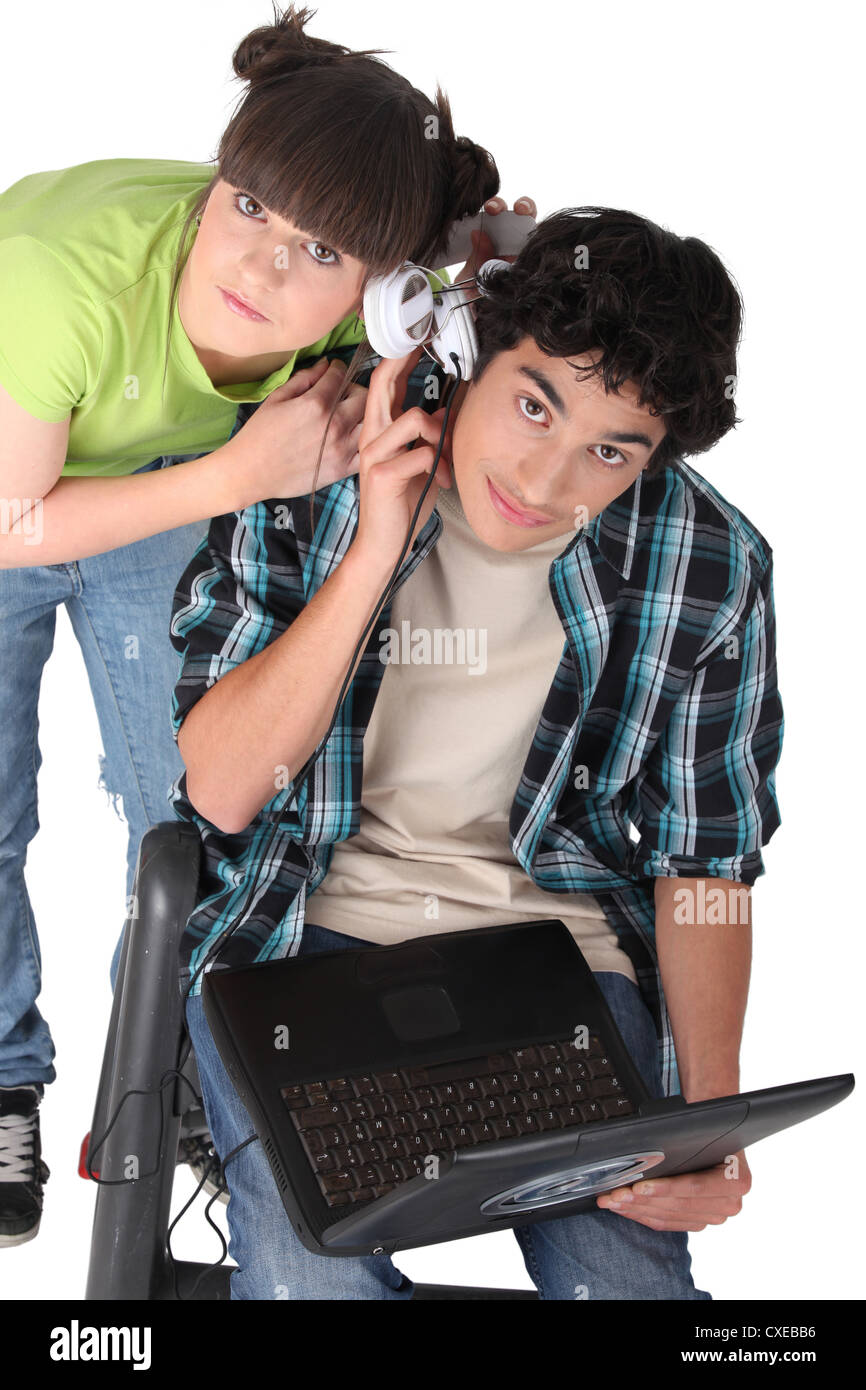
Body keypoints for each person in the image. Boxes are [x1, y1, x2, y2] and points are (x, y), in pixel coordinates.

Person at [168, 205, 783, 1300]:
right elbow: (219, 790)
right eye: (532, 406)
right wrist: (373, 547)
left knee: (626, 1289)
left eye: (607, 450)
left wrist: (705, 1120)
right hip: (303, 932)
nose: (545, 481)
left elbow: (706, 861)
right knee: (316, 1281)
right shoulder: (311, 463)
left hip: (557, 958)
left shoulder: (707, 560)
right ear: (468, 356)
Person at [0, 1, 501, 1247]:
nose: (262, 269)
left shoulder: (378, 309)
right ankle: (2, 1071)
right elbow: (13, 521)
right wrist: (242, 476)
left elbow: (488, 297)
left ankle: (157, 1065)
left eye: (322, 254)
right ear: (219, 183)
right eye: (247, 211)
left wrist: (501, 273)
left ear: (377, 283)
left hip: (168, 472)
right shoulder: (58, 277)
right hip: (14, 471)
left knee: (183, 794)